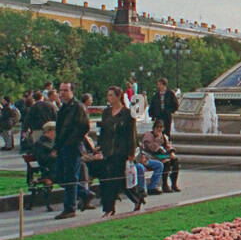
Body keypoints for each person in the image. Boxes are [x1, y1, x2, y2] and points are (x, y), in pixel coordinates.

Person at [53, 81, 94, 218]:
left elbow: (84, 127)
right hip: (63, 146)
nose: (62, 93)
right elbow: (59, 129)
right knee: (59, 177)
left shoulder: (78, 107)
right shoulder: (63, 108)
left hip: (73, 146)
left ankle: (70, 208)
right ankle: (85, 194)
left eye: (65, 90)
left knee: (71, 177)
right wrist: (57, 146)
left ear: (72, 92)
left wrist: (71, 142)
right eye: (61, 90)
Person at [98, 85, 140, 216]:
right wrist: (99, 146)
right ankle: (137, 198)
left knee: (113, 179)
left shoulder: (127, 114)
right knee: (116, 179)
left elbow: (132, 134)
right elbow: (103, 131)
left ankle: (109, 209)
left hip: (121, 151)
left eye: (111, 95)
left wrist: (131, 153)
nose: (108, 98)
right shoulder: (106, 113)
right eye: (108, 95)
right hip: (107, 150)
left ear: (118, 97)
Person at [139, 119, 180, 192]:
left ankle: (174, 184)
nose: (159, 129)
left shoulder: (164, 136)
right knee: (166, 162)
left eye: (161, 127)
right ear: (154, 127)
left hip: (161, 156)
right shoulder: (148, 135)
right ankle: (165, 185)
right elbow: (151, 148)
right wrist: (158, 139)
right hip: (151, 156)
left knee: (175, 160)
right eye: (157, 127)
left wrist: (171, 152)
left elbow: (168, 145)